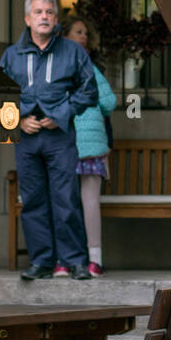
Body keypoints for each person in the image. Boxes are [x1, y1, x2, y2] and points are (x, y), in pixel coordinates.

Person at [0, 0, 98, 281]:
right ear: (27, 18)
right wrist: (18, 120)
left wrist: (62, 114)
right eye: (38, 12)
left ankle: (75, 261)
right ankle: (42, 261)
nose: (44, 17)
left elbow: (89, 90)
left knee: (66, 197)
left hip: (60, 137)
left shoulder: (72, 51)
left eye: (49, 12)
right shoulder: (12, 55)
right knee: (32, 200)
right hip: (27, 138)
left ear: (56, 19)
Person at [64, 15, 117, 277]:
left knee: (66, 202)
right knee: (90, 202)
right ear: (65, 35)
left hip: (65, 142)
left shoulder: (55, 65)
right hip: (92, 146)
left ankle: (66, 259)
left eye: (85, 32)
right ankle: (94, 260)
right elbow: (109, 102)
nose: (83, 36)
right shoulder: (90, 67)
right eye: (78, 31)